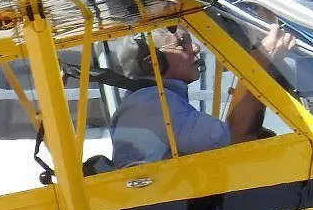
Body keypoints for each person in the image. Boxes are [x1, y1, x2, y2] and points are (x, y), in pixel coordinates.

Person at [110, 25, 295, 168]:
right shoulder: (151, 103)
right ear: (152, 62)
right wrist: (262, 60)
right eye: (182, 44)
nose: (195, 48)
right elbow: (236, 138)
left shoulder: (144, 100)